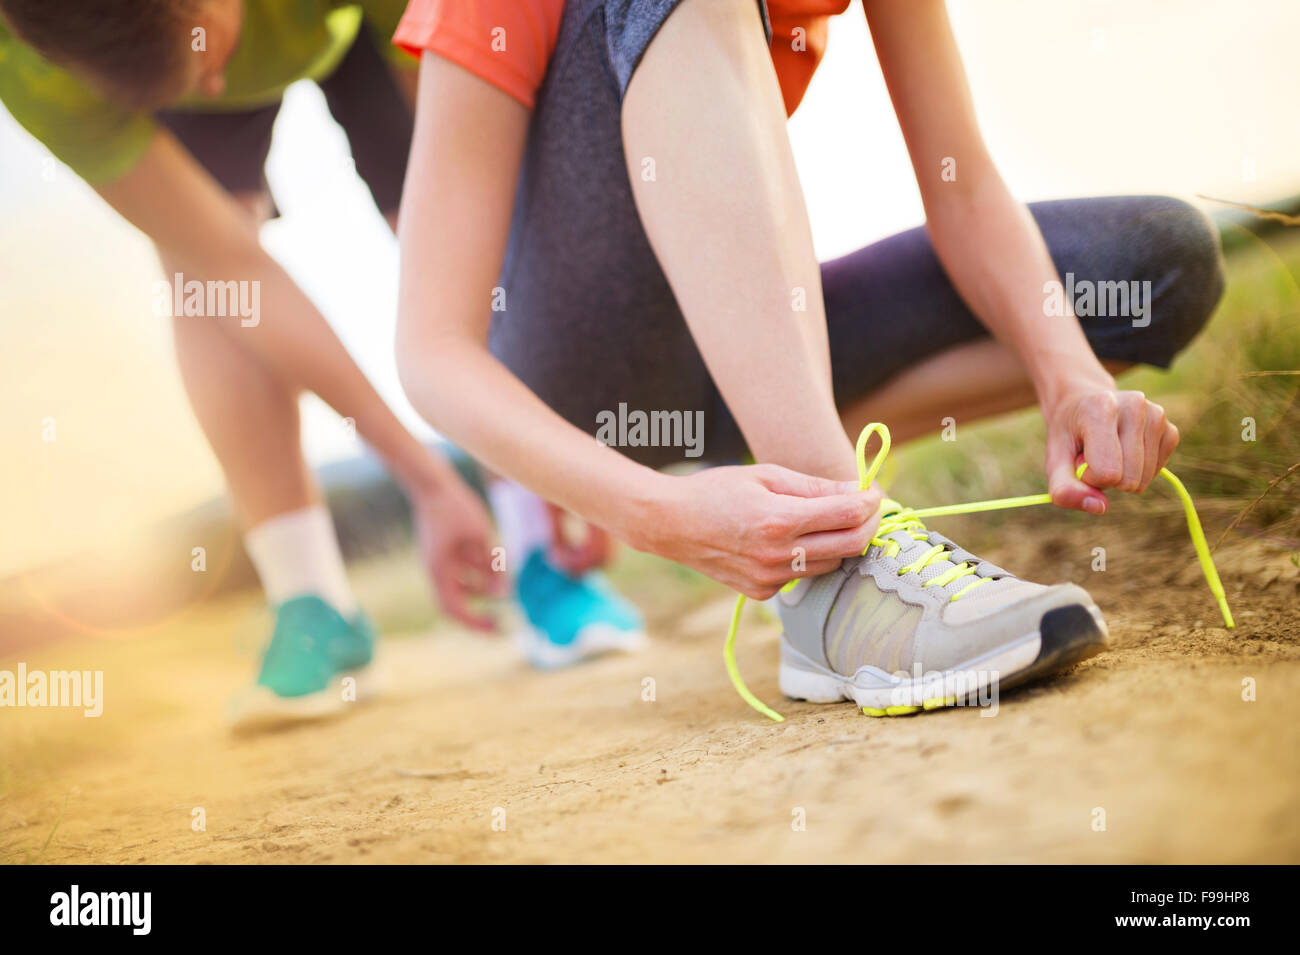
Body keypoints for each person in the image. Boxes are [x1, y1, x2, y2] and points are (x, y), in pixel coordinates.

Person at [393, 0, 1225, 712]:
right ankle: (839, 561)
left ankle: (791, 471)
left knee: (1160, 262)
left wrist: (1068, 375)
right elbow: (432, 348)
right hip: (591, 375)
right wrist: (654, 512)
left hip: (745, 343)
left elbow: (961, 186)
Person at [0, 0, 645, 728]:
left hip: (371, 22)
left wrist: (563, 463)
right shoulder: (28, 60)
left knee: (452, 217)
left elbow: (472, 181)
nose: (212, 89)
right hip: (198, 38)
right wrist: (424, 479)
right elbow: (230, 265)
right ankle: (310, 601)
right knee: (204, 277)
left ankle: (538, 551)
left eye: (203, 61)